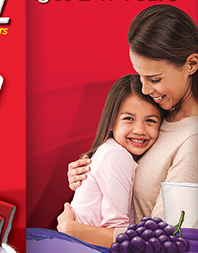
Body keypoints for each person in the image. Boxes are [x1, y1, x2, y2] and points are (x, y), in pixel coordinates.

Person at [58, 5, 198, 245]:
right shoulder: (161, 112)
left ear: (192, 64)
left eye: (154, 79)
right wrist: (90, 171)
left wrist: (74, 230)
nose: (144, 89)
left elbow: (164, 241)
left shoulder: (193, 142)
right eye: (140, 76)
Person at [68, 75, 163, 230]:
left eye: (150, 121)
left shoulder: (112, 152)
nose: (140, 130)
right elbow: (116, 226)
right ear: (111, 122)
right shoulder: (116, 155)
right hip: (87, 243)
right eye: (129, 118)